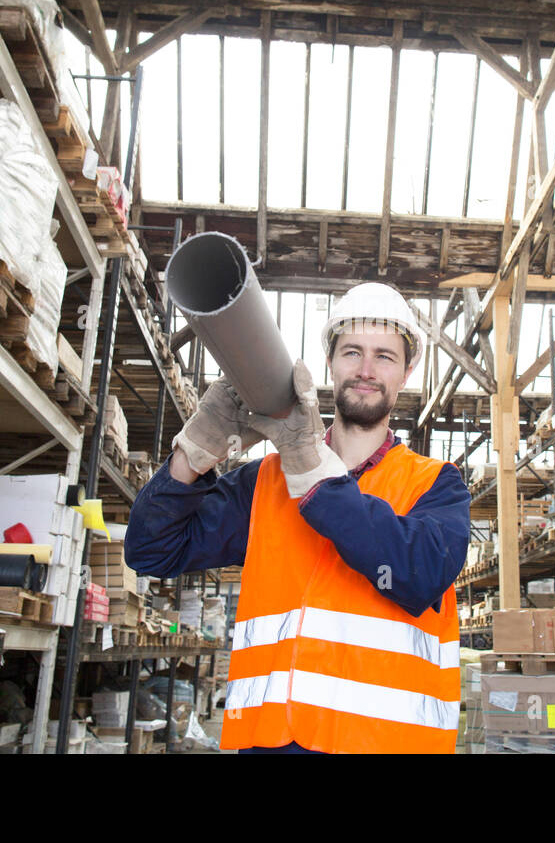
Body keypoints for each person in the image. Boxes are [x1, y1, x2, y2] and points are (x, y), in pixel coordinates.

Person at [126, 282, 472, 753]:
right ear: (329, 361)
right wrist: (196, 454)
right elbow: (151, 550)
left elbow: (418, 572)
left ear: (407, 373)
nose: (366, 370)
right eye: (352, 352)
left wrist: (311, 469)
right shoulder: (265, 482)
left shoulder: (435, 484)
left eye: (384, 357)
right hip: (267, 742)